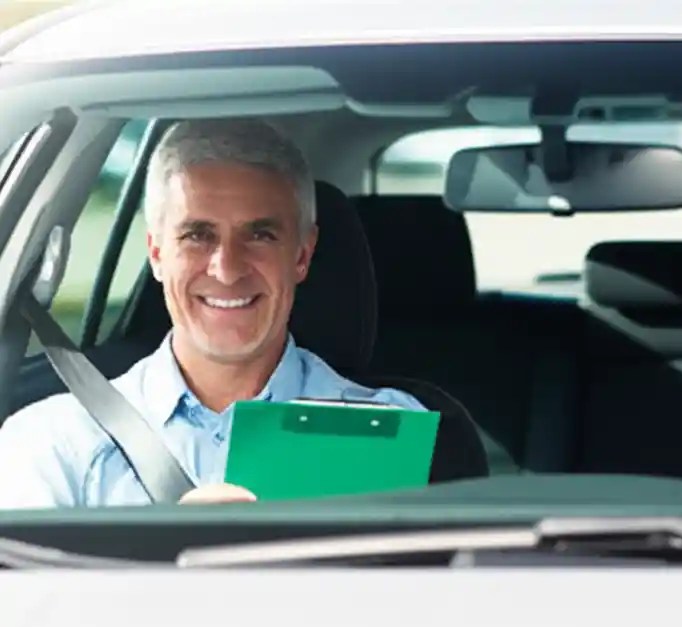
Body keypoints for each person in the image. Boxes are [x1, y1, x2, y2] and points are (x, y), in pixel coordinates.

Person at [0, 118, 426, 508]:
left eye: (259, 234)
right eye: (198, 235)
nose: (226, 269)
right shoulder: (53, 444)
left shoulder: (384, 432)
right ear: (157, 253)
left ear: (302, 255)